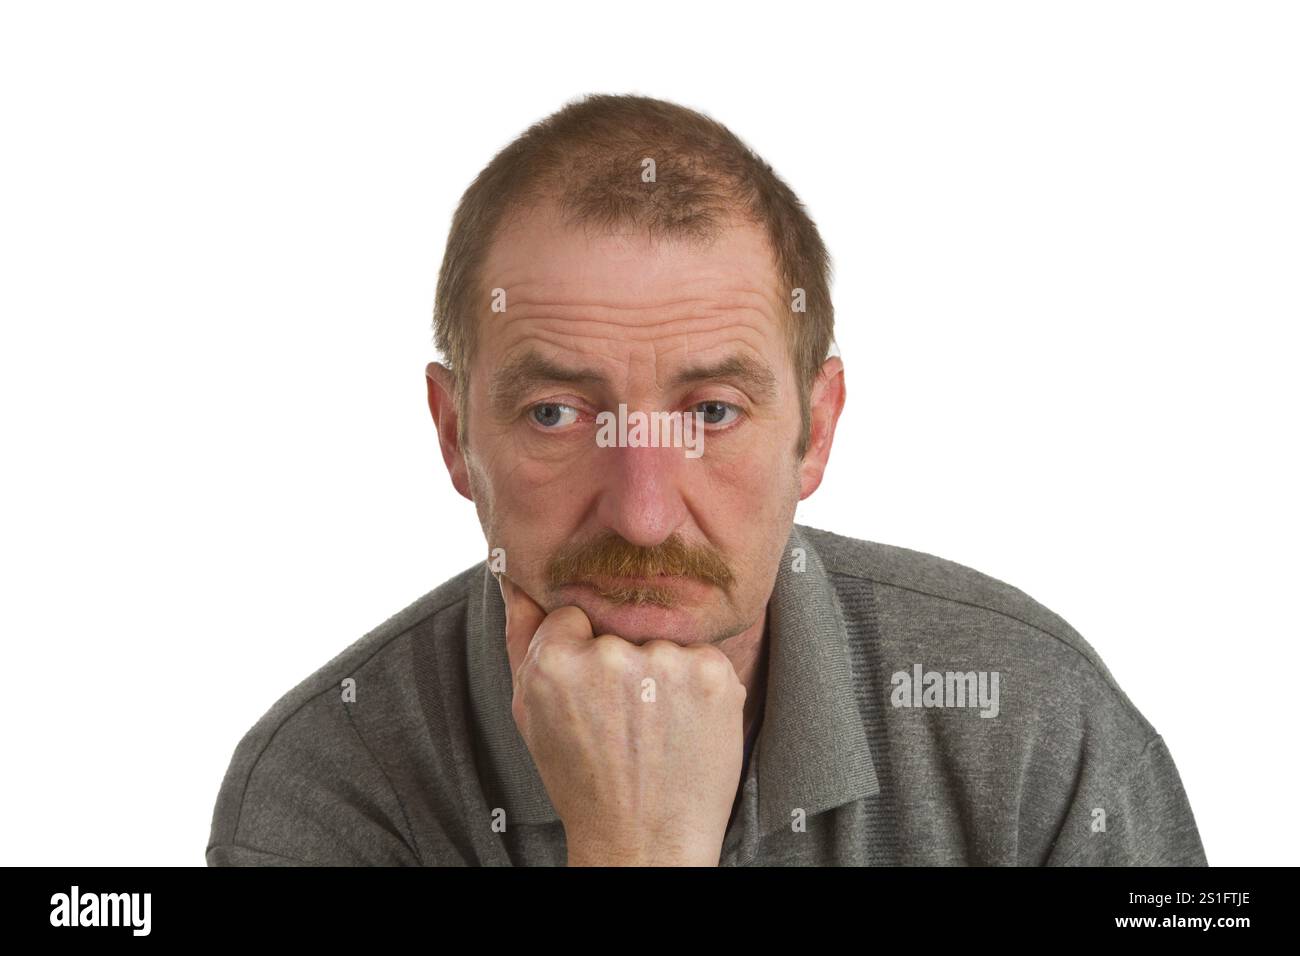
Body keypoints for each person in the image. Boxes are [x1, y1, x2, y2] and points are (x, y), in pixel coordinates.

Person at [207, 94, 1207, 866]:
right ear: (454, 434)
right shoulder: (324, 784)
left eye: (711, 413)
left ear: (814, 432)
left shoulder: (1031, 721)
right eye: (558, 412)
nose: (643, 516)